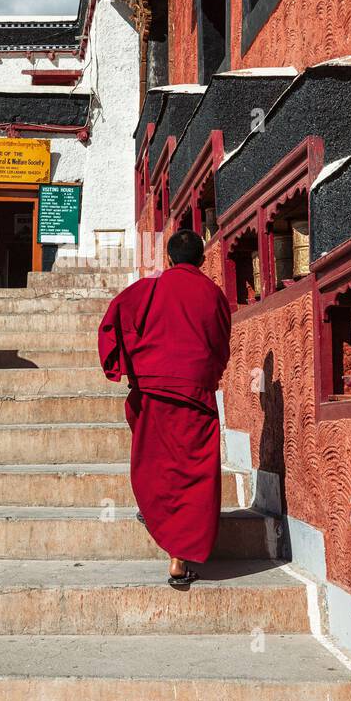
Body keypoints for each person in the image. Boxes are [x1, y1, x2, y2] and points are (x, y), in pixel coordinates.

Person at [98, 228, 231, 588]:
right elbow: (220, 347)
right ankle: (178, 558)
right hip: (194, 394)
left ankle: (159, 518)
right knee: (193, 473)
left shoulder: (149, 288)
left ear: (169, 259)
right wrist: (208, 377)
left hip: (154, 389)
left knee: (157, 463)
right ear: (202, 261)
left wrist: (125, 366)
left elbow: (113, 320)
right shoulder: (215, 295)